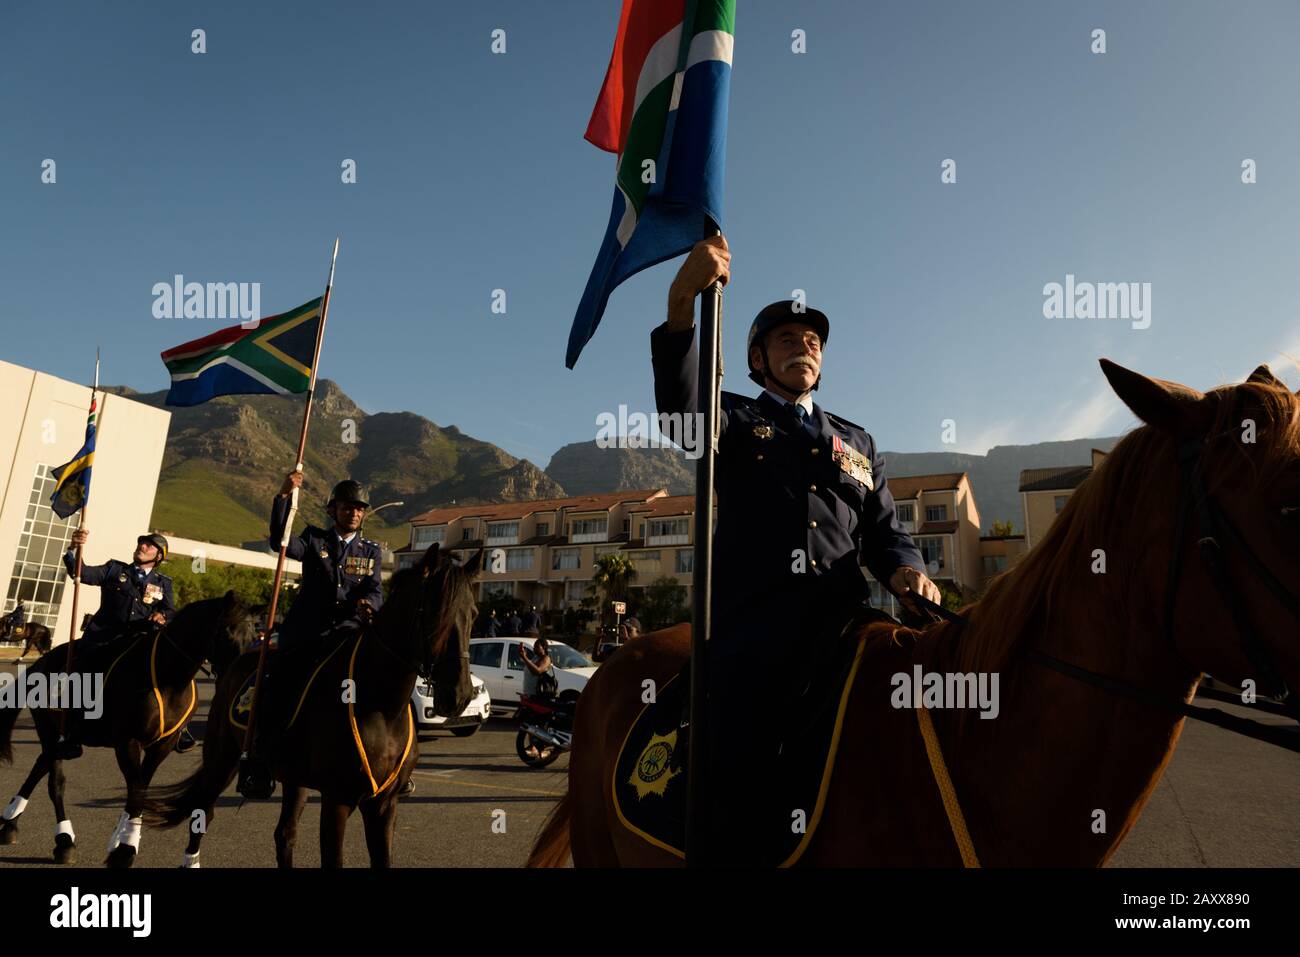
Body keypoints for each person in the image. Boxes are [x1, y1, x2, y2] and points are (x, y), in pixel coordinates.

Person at [651, 234, 941, 864]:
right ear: (757, 359)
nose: (804, 346)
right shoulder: (728, 417)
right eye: (787, 339)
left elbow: (886, 532)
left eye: (812, 342)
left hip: (844, 628)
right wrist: (681, 305)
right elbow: (679, 416)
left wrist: (908, 571)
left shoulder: (857, 441)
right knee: (736, 776)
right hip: (754, 634)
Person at [238, 473, 384, 798]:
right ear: (333, 510)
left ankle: (387, 761)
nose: (354, 513)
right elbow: (281, 541)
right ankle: (261, 758)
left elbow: (375, 589)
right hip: (306, 632)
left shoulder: (371, 551)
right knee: (278, 682)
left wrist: (368, 603)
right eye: (348, 507)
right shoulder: (313, 539)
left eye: (360, 509)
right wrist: (284, 496)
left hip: (347, 632)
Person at [56, 530, 182, 756]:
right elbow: (82, 573)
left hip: (138, 641)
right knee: (85, 669)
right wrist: (73, 548)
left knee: (167, 671)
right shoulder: (115, 570)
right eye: (141, 543)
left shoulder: (163, 583)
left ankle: (177, 728)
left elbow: (170, 610)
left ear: (159, 557)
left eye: (149, 546)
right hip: (105, 639)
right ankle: (72, 730)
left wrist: (162, 616)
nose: (142, 546)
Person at [518, 638, 557, 760]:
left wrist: (525, 658)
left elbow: (537, 671)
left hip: (539, 696)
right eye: (534, 646)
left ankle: (542, 748)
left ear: (544, 648)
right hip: (529, 694)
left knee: (539, 723)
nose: (534, 648)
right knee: (530, 722)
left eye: (537, 646)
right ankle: (533, 746)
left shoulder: (546, 659)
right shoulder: (534, 658)